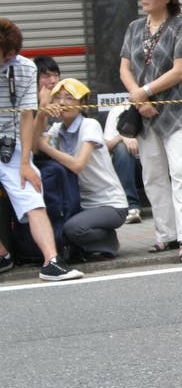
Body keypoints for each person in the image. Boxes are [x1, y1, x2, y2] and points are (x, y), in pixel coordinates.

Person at [119, 0, 182, 262]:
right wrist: (140, 100)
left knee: (181, 173)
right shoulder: (134, 27)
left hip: (177, 114)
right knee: (152, 176)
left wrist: (145, 90)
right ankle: (165, 235)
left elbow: (180, 70)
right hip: (145, 115)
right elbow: (124, 68)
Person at [0, 18, 83, 281]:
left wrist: (25, 161)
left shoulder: (24, 68)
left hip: (11, 143)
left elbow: (26, 116)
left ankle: (52, 261)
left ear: (11, 53)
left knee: (32, 193)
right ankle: (2, 254)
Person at [34, 78, 128, 257]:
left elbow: (78, 165)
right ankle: (91, 244)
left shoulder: (90, 125)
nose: (62, 102)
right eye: (58, 98)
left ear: (82, 104)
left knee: (73, 229)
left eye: (69, 98)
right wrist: (41, 113)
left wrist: (46, 147)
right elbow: (34, 148)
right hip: (81, 204)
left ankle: (108, 242)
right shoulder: (57, 128)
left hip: (110, 204)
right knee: (57, 231)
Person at [102, 103, 143, 224]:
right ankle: (131, 207)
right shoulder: (119, 110)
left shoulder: (156, 108)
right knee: (121, 149)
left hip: (153, 163)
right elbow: (106, 148)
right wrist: (122, 137)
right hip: (129, 167)